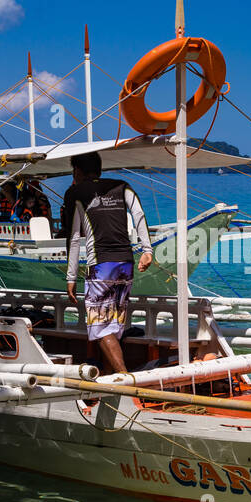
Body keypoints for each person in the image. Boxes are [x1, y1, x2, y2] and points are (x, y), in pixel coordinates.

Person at [64, 151, 154, 374]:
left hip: (100, 267)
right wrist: (147, 250)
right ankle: (113, 375)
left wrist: (70, 277)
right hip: (126, 264)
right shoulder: (122, 185)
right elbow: (138, 214)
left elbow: (74, 237)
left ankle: (124, 378)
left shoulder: (75, 192)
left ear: (77, 171)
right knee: (114, 326)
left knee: (100, 327)